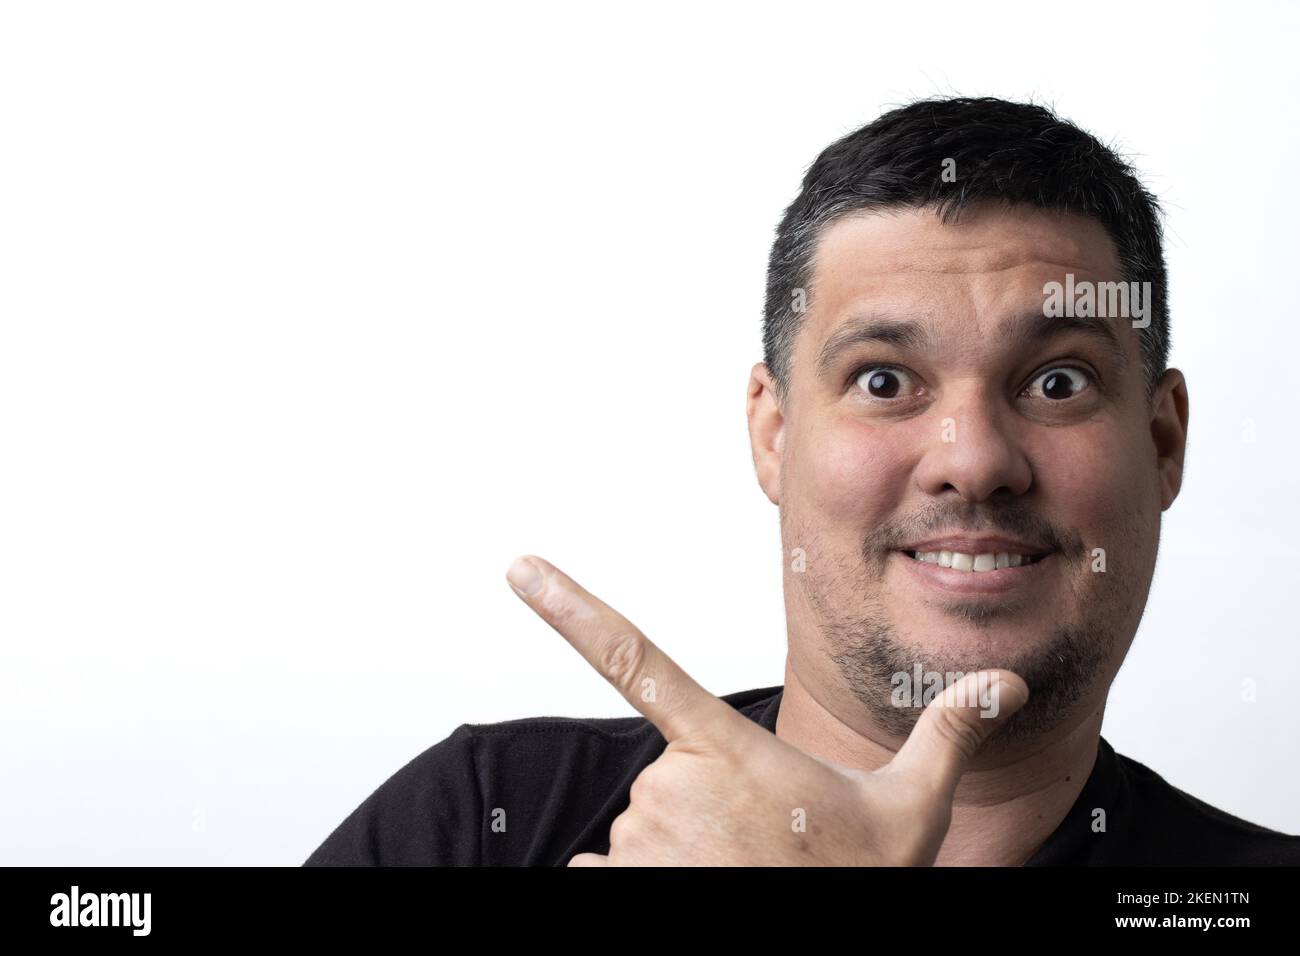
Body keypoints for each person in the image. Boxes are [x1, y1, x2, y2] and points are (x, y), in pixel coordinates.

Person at [304, 96, 1299, 866]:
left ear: (1162, 440)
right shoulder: (486, 819)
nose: (973, 458)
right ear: (773, 433)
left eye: (1054, 380)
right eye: (883, 379)